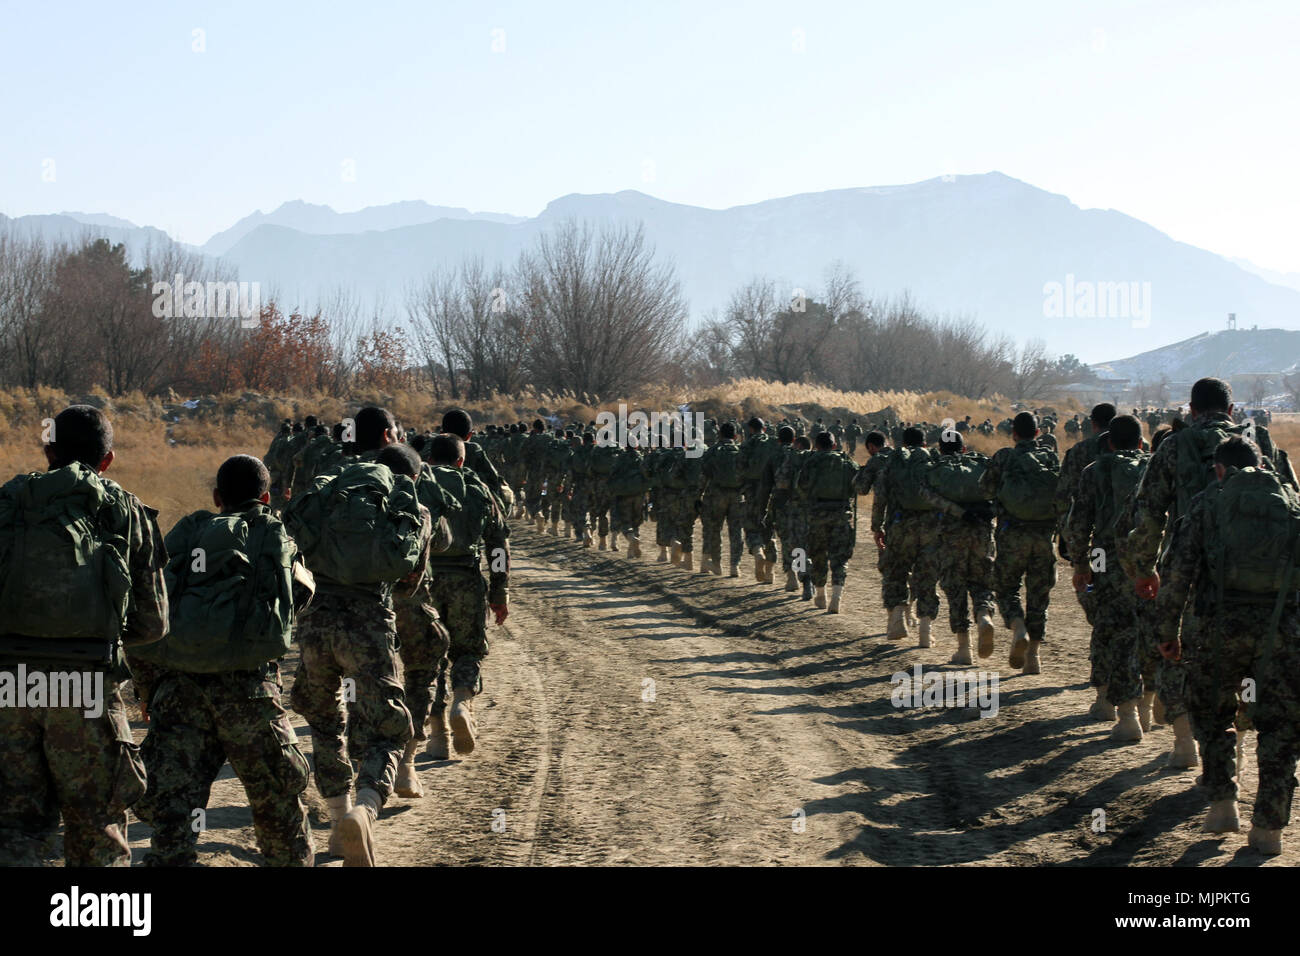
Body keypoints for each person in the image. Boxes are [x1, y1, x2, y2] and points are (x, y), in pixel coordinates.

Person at [129, 454, 317, 866]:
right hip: (249, 691)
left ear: (216, 497)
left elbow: (150, 612)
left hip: (179, 690)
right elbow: (296, 601)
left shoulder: (188, 534)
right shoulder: (274, 537)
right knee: (277, 806)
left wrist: (149, 689)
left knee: (174, 813)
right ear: (266, 497)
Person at [0, 404, 167, 866]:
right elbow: (153, 624)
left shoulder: (9, 500)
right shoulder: (126, 509)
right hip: (89, 686)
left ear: (47, 449)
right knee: (98, 827)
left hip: (8, 684)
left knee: (14, 825)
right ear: (108, 459)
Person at [284, 408, 437, 866]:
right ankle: (366, 808)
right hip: (368, 623)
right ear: (408, 475)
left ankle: (336, 814)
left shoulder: (328, 486)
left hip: (313, 621)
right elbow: (410, 581)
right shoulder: (411, 504)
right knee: (386, 726)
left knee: (325, 720)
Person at [1155, 436, 1300, 853]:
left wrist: (1168, 632)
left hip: (1217, 628)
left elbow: (1177, 572)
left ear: (1220, 468)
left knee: (1213, 713)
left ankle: (1223, 805)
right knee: (1281, 728)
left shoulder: (1206, 502)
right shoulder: (1290, 501)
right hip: (1282, 630)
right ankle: (1269, 829)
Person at [1065, 415, 1150, 741]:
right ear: (1141, 443)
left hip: (1104, 560)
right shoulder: (1155, 468)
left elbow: (1078, 523)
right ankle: (1151, 707)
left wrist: (1081, 565)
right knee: (1147, 631)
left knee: (1109, 626)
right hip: (1149, 561)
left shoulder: (1094, 470)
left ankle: (1116, 708)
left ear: (1110, 442)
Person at [980, 412, 1061, 673]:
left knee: (1005, 588)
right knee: (1039, 595)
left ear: (1013, 434)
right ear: (1038, 433)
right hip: (1044, 536)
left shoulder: (1004, 457)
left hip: (1011, 534)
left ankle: (1018, 627)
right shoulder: (1049, 457)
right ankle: (1034, 657)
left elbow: (986, 490)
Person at [792, 431, 859, 611]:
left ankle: (821, 594)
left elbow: (800, 487)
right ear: (834, 445)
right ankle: (836, 596)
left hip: (816, 515)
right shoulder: (846, 462)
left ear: (817, 446)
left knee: (818, 555)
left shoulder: (811, 462)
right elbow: (858, 485)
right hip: (841, 514)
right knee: (840, 557)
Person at [698, 422, 747, 576]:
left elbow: (703, 475)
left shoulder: (712, 451)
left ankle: (717, 563)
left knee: (714, 530)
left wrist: (698, 496)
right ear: (735, 436)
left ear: (719, 434)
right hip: (738, 496)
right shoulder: (741, 451)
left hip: (715, 495)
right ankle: (735, 566)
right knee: (736, 532)